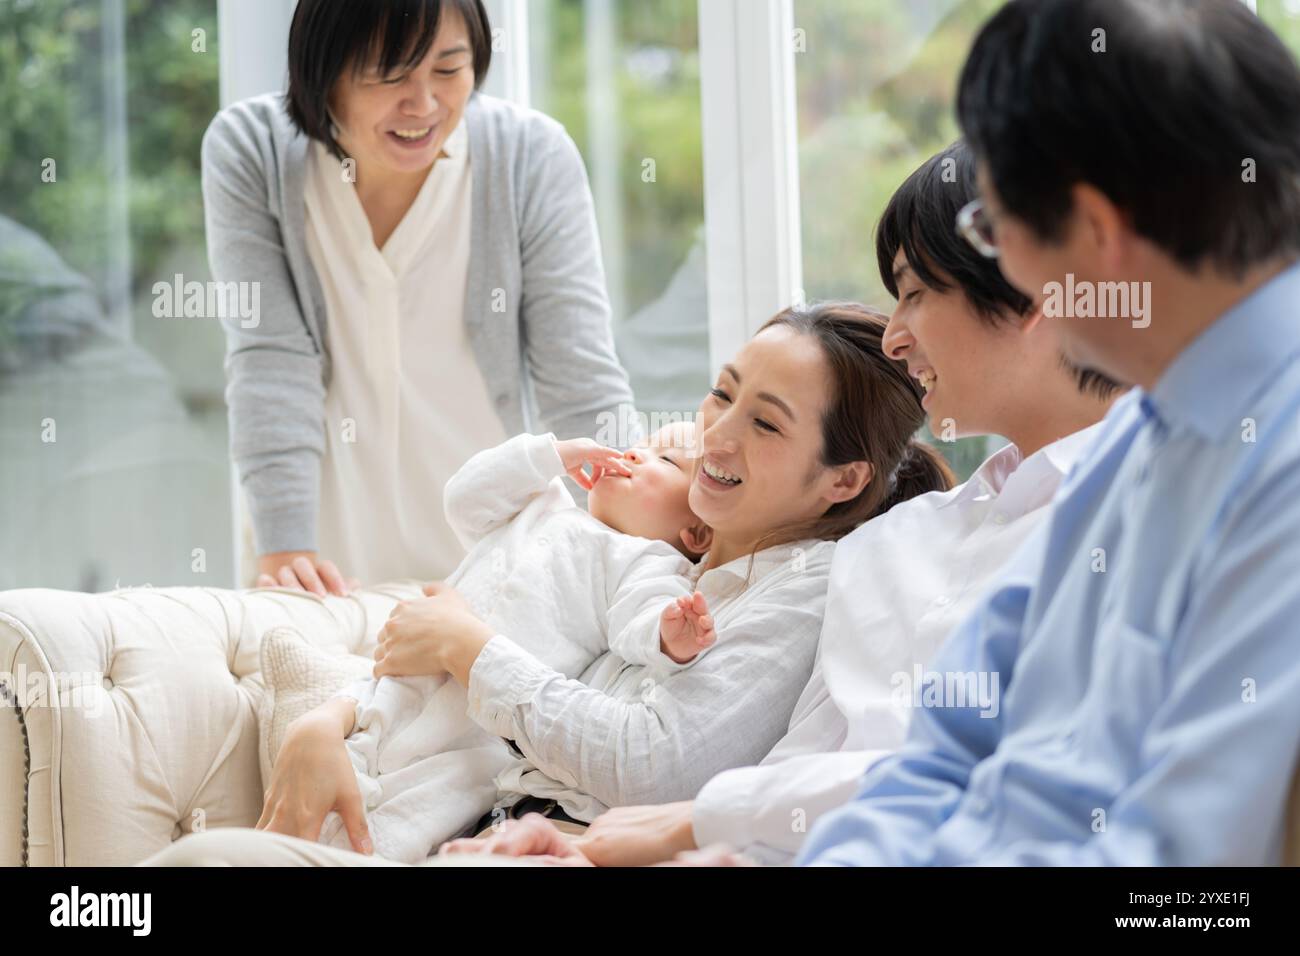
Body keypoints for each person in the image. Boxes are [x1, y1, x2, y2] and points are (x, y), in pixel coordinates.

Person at [441, 140, 1122, 867]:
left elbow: (1005, 777)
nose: (897, 336)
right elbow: (796, 774)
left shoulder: (1146, 519)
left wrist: (685, 829)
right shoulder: (894, 544)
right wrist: (604, 853)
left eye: (916, 294)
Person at [138, 301, 954, 865]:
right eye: (723, 393)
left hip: (552, 843)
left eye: (765, 422)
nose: (717, 437)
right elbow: (473, 619)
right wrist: (324, 718)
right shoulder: (658, 552)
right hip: (469, 826)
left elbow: (657, 767)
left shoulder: (806, 589)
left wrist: (471, 649)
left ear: (842, 481)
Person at [797, 0, 1300, 866]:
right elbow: (947, 742)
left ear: (1097, 234)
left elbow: (1180, 882)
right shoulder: (1137, 435)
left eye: (993, 230)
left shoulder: (1274, 470)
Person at [202, 0, 636, 592]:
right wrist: (284, 549)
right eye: (389, 73)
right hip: (326, 577)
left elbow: (581, 378)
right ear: (322, 69)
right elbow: (269, 360)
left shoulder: (530, 157)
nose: (424, 104)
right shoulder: (252, 153)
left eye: (449, 69)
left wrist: (642, 555)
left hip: (505, 575)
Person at [313, 422, 719, 862]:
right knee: (328, 793)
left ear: (695, 533)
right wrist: (550, 455)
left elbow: (642, 618)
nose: (634, 455)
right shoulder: (544, 502)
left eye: (665, 459)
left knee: (396, 826)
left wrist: (669, 635)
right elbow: (464, 500)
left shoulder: (645, 562)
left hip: (473, 734)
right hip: (403, 682)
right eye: (638, 445)